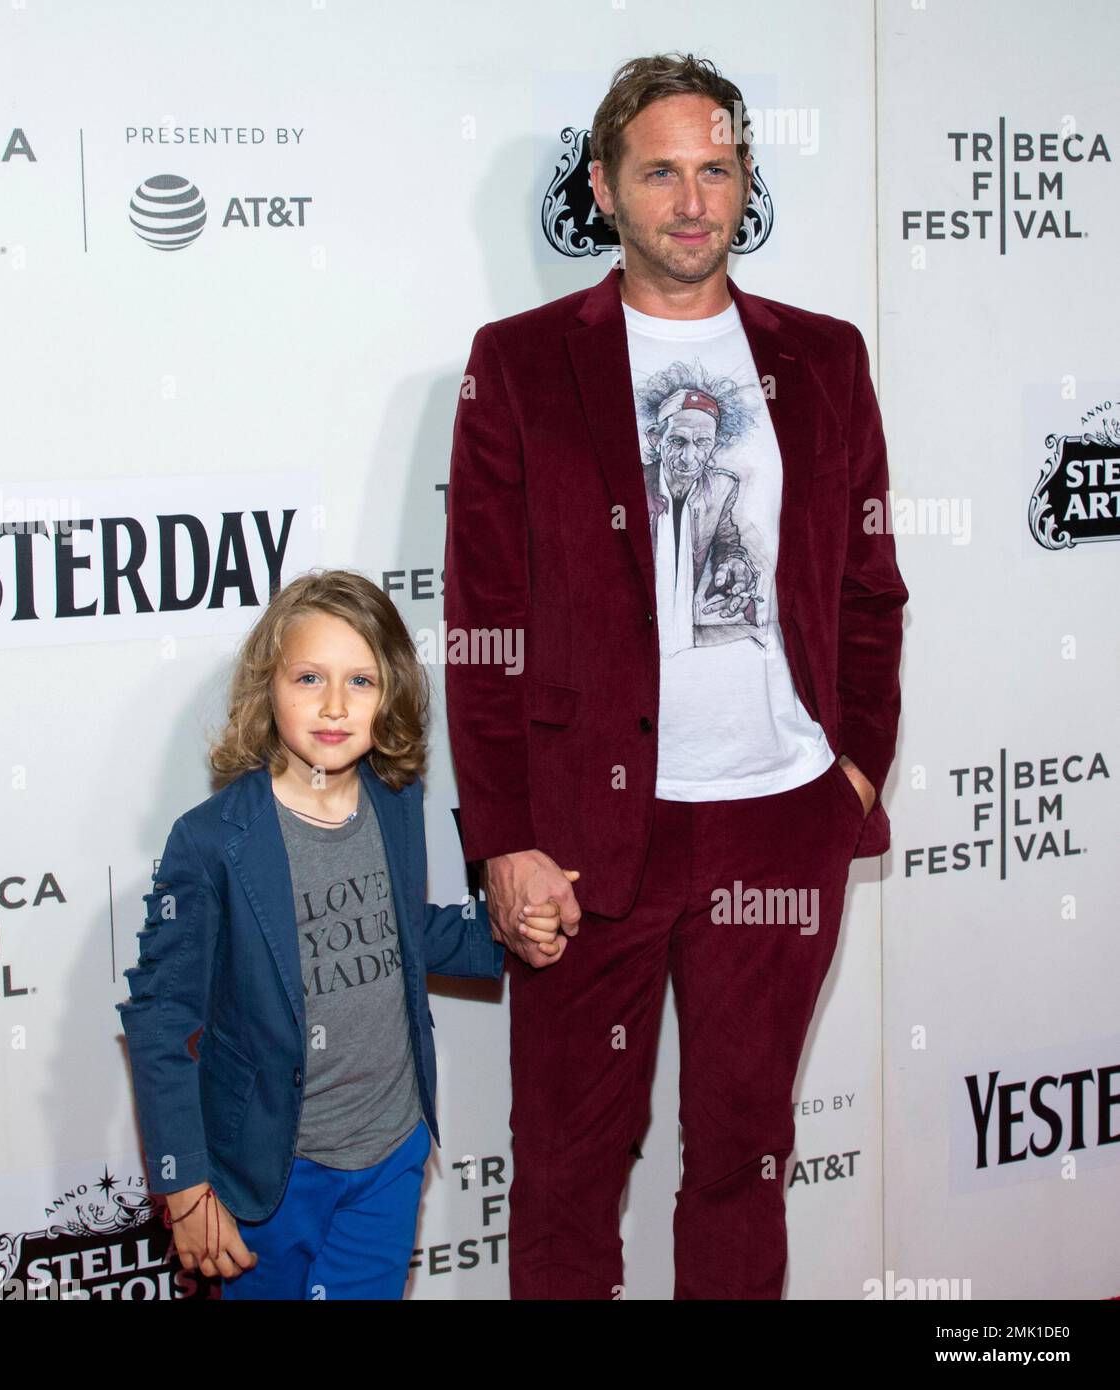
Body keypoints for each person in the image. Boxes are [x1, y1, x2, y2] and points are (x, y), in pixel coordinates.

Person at [442, 52, 908, 1298]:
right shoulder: (524, 361)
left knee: (742, 1163)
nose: (692, 200)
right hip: (587, 843)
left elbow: (870, 585)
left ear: (744, 181)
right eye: (661, 172)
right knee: (564, 1176)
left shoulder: (823, 357)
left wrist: (850, 774)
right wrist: (503, 839)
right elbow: (481, 624)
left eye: (717, 169)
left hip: (780, 816)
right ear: (603, 188)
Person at [115, 569, 571, 1299]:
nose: (334, 705)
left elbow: (398, 933)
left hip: (390, 1155)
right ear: (267, 686)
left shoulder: (396, 800)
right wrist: (186, 1187)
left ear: (390, 691)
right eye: (308, 678)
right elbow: (162, 1020)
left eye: (360, 681)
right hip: (270, 1175)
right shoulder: (211, 842)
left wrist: (503, 932)